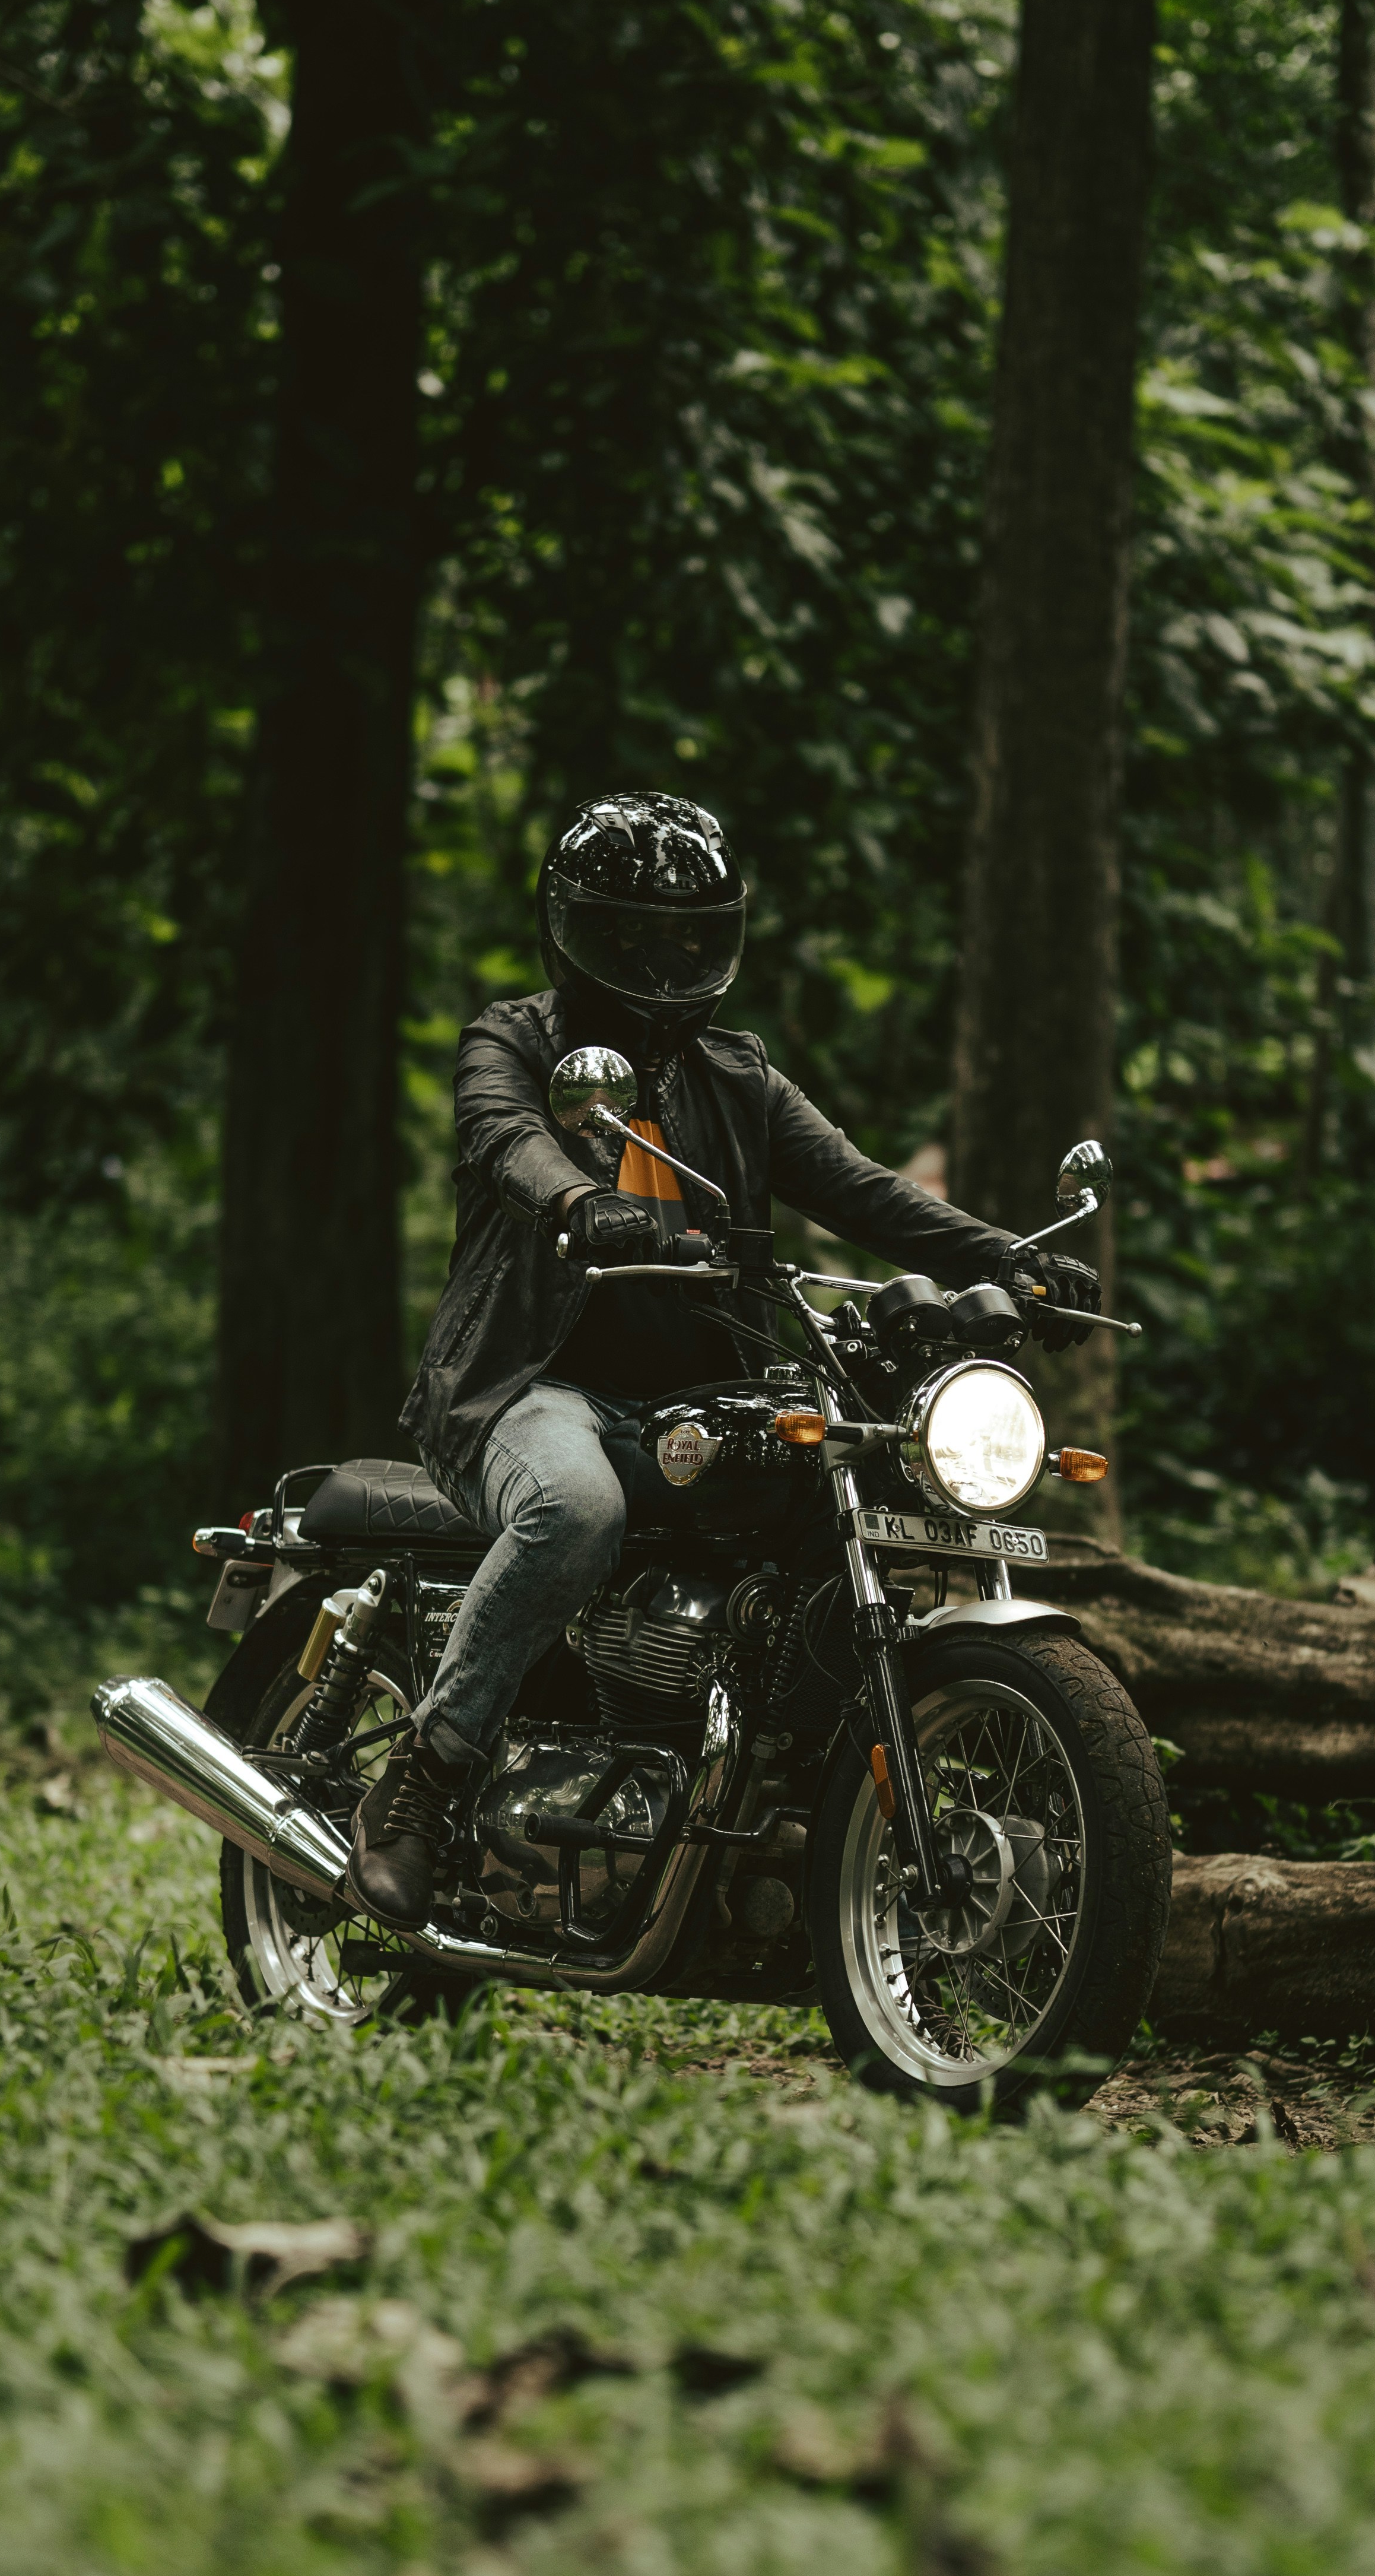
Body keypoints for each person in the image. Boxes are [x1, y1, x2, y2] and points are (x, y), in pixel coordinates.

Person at [348, 792, 1098, 1927]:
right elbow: (509, 1140)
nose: (661, 961)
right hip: (526, 1390)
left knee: (846, 1486)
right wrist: (582, 1203)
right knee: (576, 1511)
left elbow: (859, 1190)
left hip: (701, 1396)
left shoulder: (736, 1079)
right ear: (572, 932)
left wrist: (1011, 1258)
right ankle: (426, 1777)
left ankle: (767, 1786)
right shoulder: (515, 1041)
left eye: (690, 936)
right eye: (631, 933)